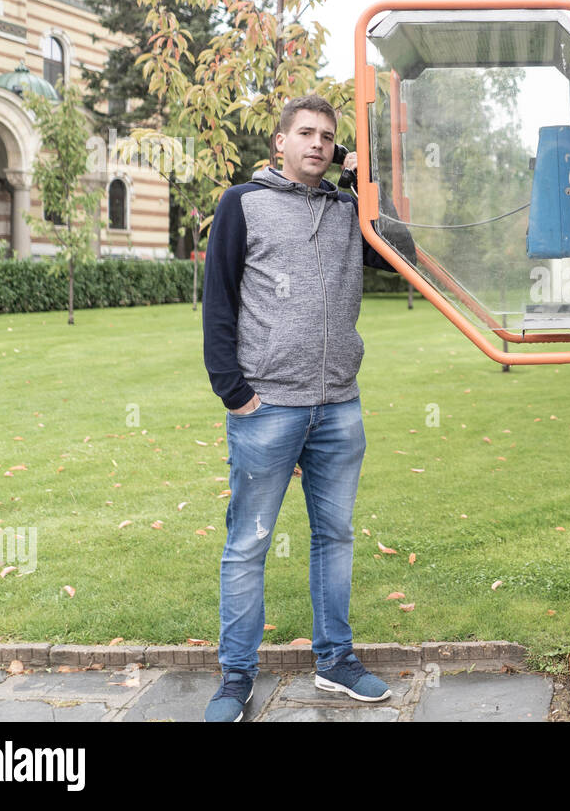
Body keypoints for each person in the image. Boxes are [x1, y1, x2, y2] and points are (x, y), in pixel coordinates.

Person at [201, 94, 415, 722]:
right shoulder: (243, 203)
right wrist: (234, 392)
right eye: (306, 133)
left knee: (336, 537)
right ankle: (236, 677)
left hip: (339, 408)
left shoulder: (352, 211)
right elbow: (218, 300)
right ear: (280, 142)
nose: (317, 144)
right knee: (248, 544)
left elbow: (398, 250)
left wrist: (363, 180)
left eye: (328, 136)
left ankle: (337, 661)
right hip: (267, 407)